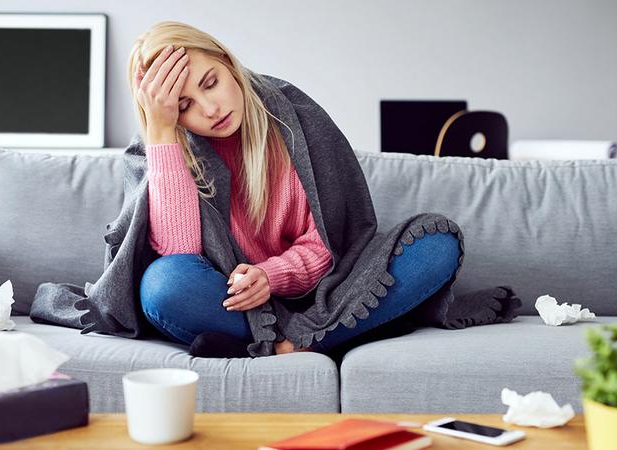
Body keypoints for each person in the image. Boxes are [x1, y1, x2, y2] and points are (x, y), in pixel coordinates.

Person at [128, 21, 461, 356]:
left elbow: (330, 242)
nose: (210, 109)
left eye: (210, 83)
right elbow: (182, 252)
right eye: (184, 106)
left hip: (333, 289)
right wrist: (160, 131)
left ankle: (283, 345)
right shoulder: (162, 148)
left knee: (437, 242)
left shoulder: (294, 116)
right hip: (238, 303)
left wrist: (270, 275)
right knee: (163, 284)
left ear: (227, 62)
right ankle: (333, 335)